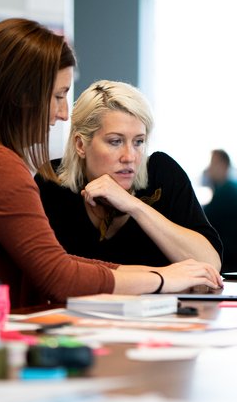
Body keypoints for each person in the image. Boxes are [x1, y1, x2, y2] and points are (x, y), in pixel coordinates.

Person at [0, 18, 221, 308]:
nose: (62, 114)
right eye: (59, 96)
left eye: (138, 141)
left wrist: (153, 274)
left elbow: (59, 264)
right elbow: (58, 276)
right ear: (22, 95)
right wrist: (162, 278)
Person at [36, 80, 222, 270]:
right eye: (115, 141)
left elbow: (210, 265)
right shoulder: (51, 181)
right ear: (81, 145)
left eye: (138, 142)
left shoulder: (161, 174)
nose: (130, 157)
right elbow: (42, 271)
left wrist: (134, 206)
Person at [202, 149, 237, 273]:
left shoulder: (226, 191)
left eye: (212, 164)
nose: (209, 169)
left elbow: (201, 219)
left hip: (227, 252)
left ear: (223, 165)